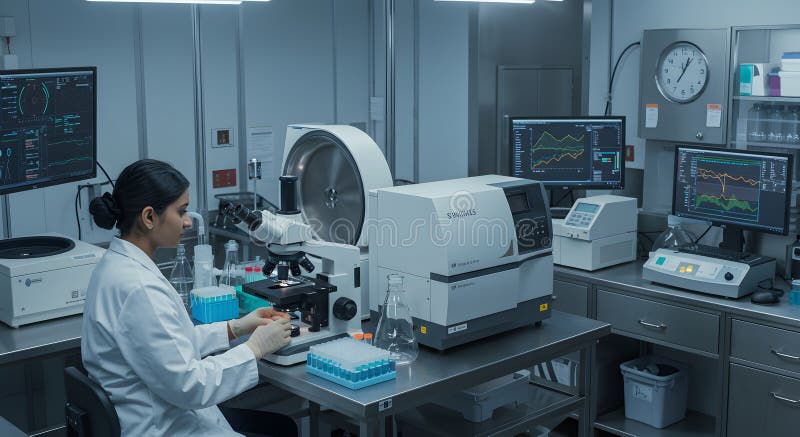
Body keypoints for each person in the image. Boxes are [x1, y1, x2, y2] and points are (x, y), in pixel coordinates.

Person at [82, 159, 296, 437]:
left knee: (281, 427)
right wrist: (253, 349)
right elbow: (190, 385)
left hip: (158, 412)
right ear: (149, 217)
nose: (187, 221)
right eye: (181, 211)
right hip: (164, 426)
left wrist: (235, 328)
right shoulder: (138, 288)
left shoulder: (116, 266)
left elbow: (169, 345)